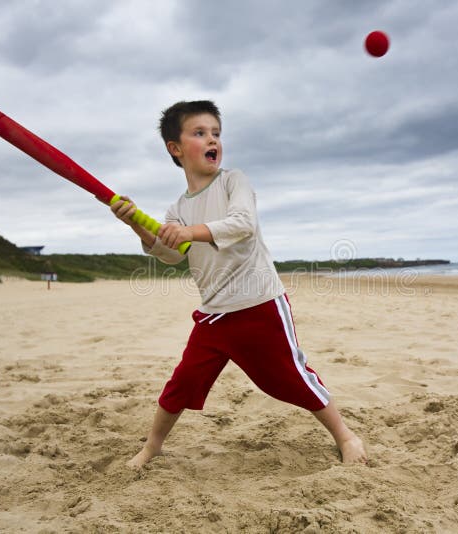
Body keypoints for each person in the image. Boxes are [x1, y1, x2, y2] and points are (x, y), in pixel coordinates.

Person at [111, 100, 367, 468]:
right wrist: (135, 223)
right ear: (176, 148)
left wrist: (189, 231)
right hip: (214, 316)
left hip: (259, 304)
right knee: (181, 383)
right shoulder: (178, 208)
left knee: (291, 378)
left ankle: (346, 436)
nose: (212, 139)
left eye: (216, 133)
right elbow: (171, 255)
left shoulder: (234, 182)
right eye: (200, 133)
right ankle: (153, 446)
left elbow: (242, 223)